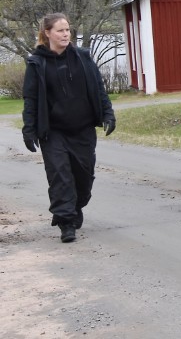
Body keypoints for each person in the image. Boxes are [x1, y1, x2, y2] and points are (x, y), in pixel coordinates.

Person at [21, 13, 116, 243]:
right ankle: (66, 222)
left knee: (84, 178)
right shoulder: (37, 63)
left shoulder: (83, 57)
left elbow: (98, 89)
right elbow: (30, 99)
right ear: (48, 33)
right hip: (53, 132)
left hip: (82, 129)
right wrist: (29, 129)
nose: (65, 34)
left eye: (67, 30)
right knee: (60, 175)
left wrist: (107, 113)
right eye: (60, 30)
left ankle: (75, 206)